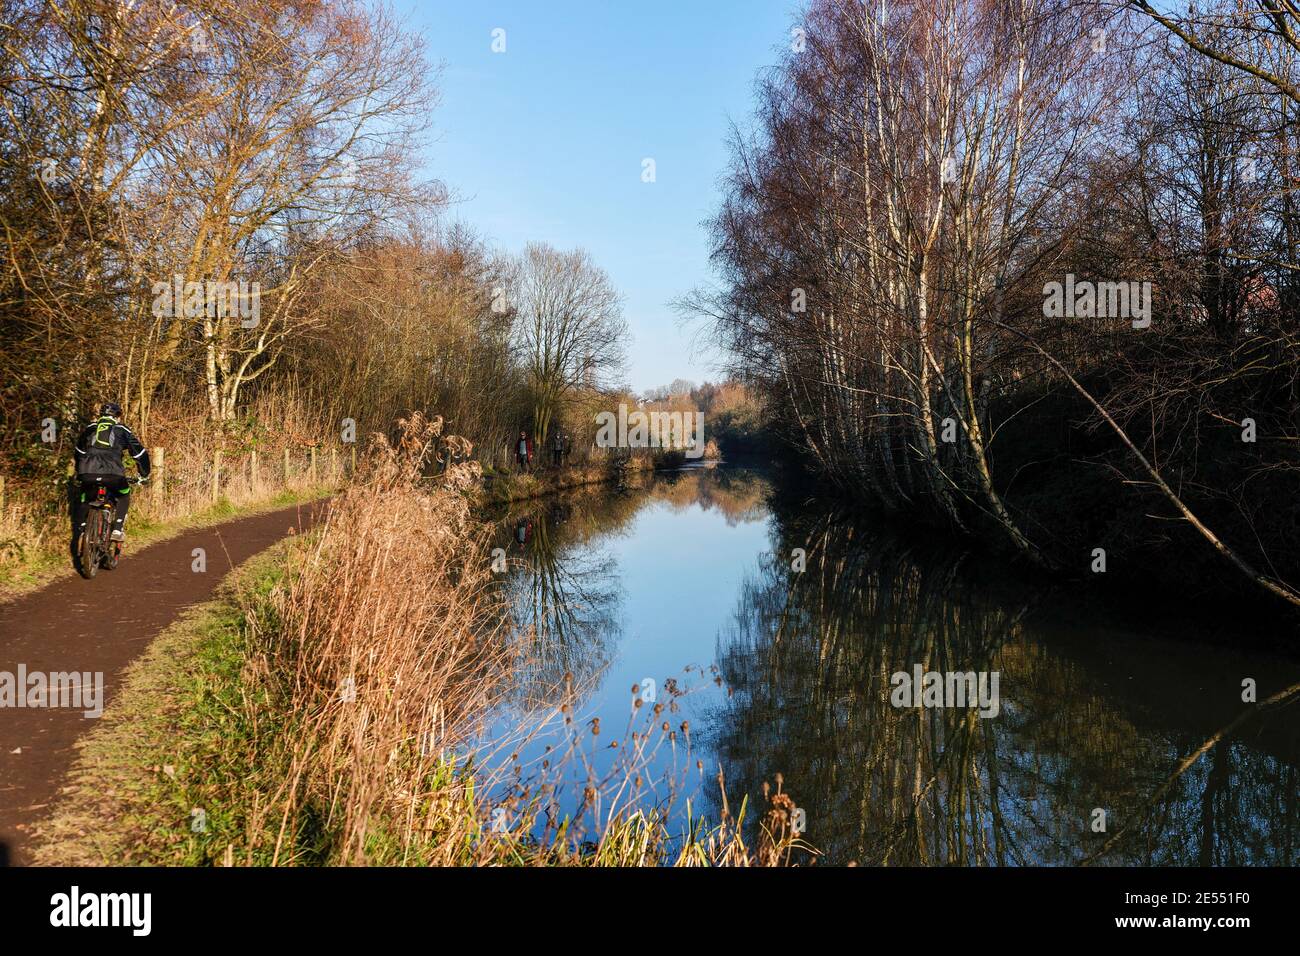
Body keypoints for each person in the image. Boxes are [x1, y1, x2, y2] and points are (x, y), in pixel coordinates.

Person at [73, 402, 151, 542]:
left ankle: (83, 527)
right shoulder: (122, 430)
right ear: (117, 417)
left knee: (85, 494)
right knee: (124, 494)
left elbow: (79, 451)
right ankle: (117, 529)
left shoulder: (90, 428)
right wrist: (144, 474)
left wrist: (79, 472)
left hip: (87, 472)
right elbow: (139, 454)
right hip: (113, 474)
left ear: (101, 416)